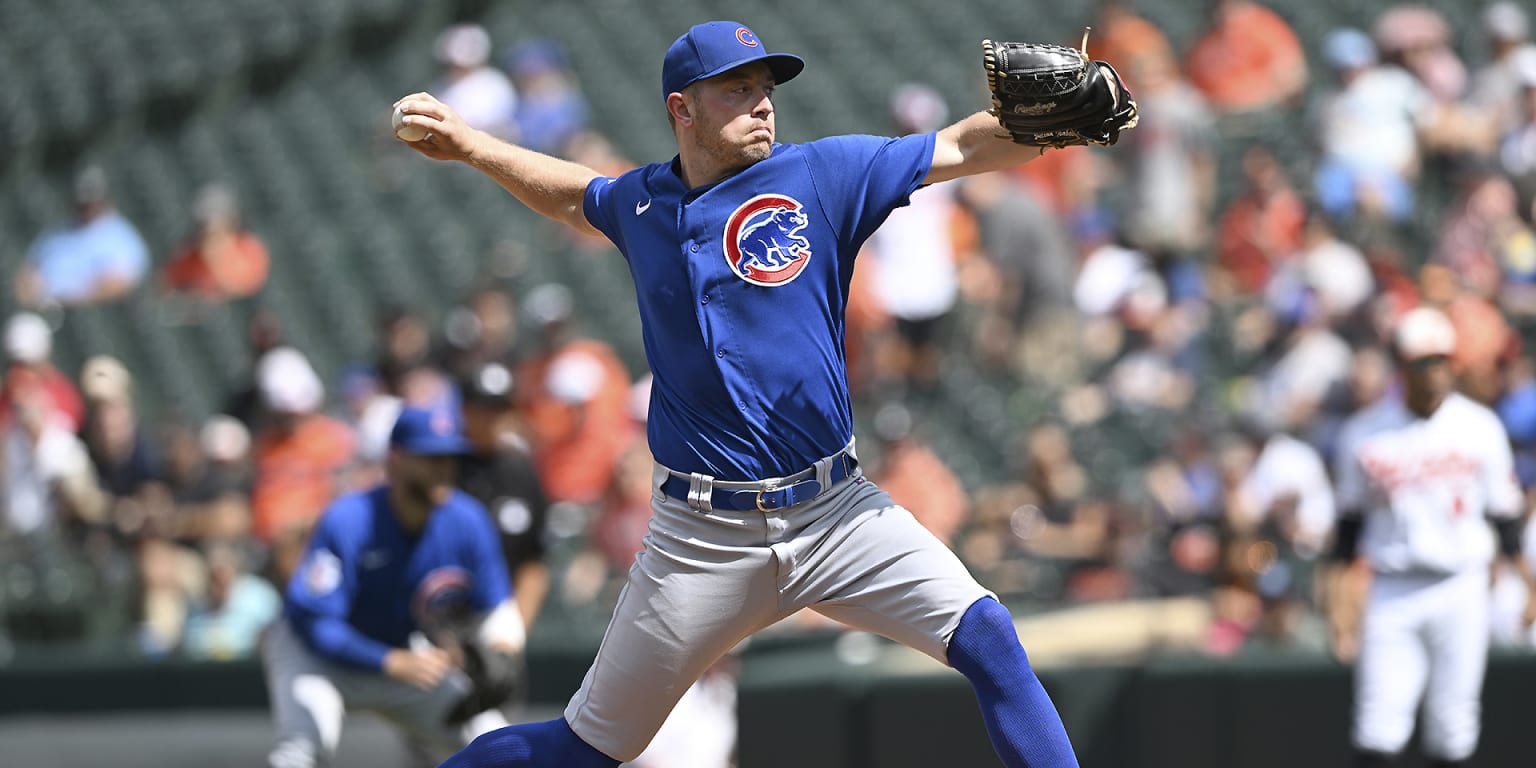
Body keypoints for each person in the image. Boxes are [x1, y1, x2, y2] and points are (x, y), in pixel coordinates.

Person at [396, 20, 1105, 768]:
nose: (763, 103)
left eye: (766, 88)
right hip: (701, 539)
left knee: (990, 638)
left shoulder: (824, 174)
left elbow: (960, 145)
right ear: (683, 109)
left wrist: (1056, 129)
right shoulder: (643, 205)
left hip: (838, 514)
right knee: (584, 750)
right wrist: (473, 147)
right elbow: (577, 197)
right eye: (737, 88)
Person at [1326, 307, 1536, 768]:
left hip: (1461, 585)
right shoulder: (1365, 433)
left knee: (1454, 727)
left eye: (1440, 359)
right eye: (1422, 361)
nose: (1434, 371)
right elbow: (1347, 531)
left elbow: (1504, 517)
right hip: (1392, 586)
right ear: (1401, 365)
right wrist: (1339, 603)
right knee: (1378, 726)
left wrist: (1527, 584)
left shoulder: (1479, 427)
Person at [262, 406, 523, 768]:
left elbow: (497, 607)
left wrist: (503, 651)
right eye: (431, 456)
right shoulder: (349, 518)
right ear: (396, 460)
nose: (443, 468)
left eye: (450, 457)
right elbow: (316, 624)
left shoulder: (467, 521)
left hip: (405, 656)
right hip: (317, 659)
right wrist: (389, 661)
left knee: (496, 746)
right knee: (302, 750)